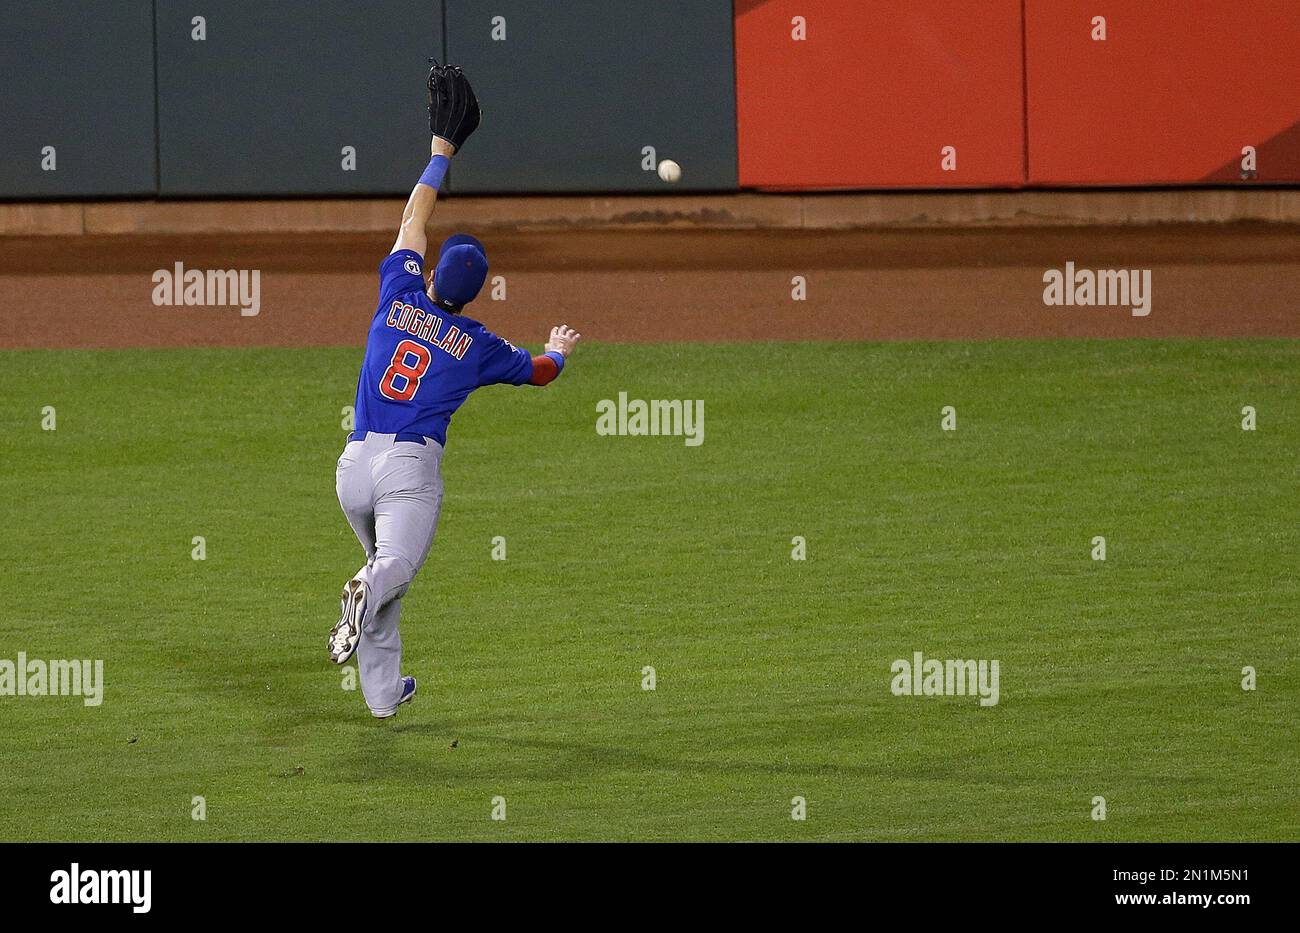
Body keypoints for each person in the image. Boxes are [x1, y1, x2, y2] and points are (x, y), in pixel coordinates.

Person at [327, 62, 581, 718]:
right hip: (408, 472)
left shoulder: (399, 289)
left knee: (388, 582)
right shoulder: (476, 346)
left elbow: (413, 216)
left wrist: (441, 153)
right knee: (392, 571)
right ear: (478, 293)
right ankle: (361, 586)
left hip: (352, 467)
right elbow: (540, 372)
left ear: (436, 272)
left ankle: (382, 698)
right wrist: (559, 348)